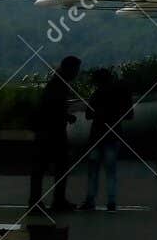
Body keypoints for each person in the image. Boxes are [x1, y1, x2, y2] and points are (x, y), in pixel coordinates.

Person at [29, 56, 82, 214]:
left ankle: (39, 201)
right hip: (52, 132)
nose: (77, 73)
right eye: (76, 70)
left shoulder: (56, 83)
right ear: (70, 69)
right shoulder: (59, 85)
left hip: (48, 131)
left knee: (44, 167)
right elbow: (54, 109)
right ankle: (51, 201)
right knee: (56, 166)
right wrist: (66, 116)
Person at [79, 68, 134, 212]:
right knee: (111, 171)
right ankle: (111, 201)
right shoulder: (120, 95)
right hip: (113, 136)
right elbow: (129, 115)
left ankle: (90, 199)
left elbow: (88, 115)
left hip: (96, 136)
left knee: (93, 171)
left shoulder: (97, 95)